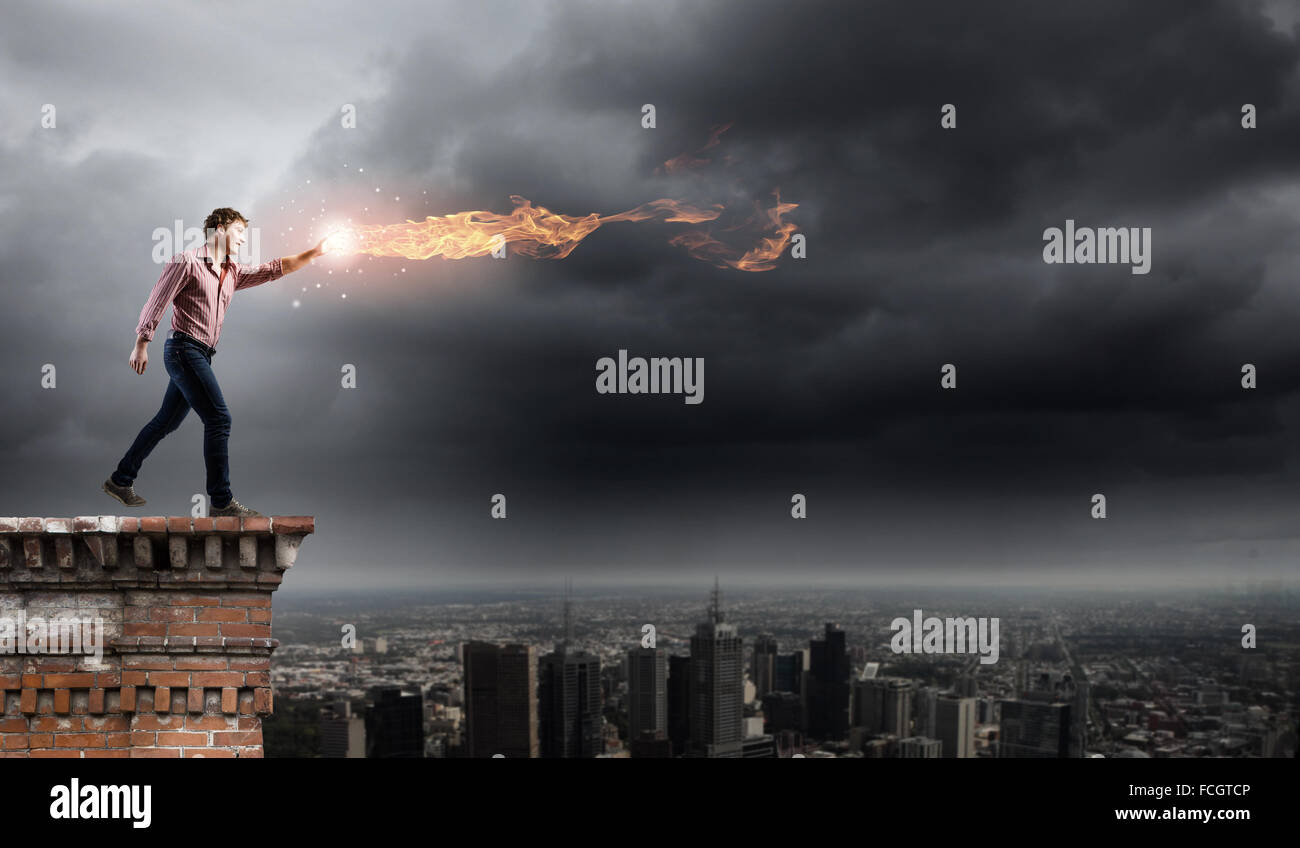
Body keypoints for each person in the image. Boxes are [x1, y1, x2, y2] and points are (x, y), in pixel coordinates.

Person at [104, 207, 328, 516]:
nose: (241, 240)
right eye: (239, 232)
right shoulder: (187, 261)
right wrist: (141, 343)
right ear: (220, 228)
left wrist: (313, 253)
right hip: (183, 350)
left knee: (165, 423)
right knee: (219, 420)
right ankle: (222, 502)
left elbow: (272, 269)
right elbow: (158, 300)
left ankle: (120, 479)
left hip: (201, 356)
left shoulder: (232, 271)